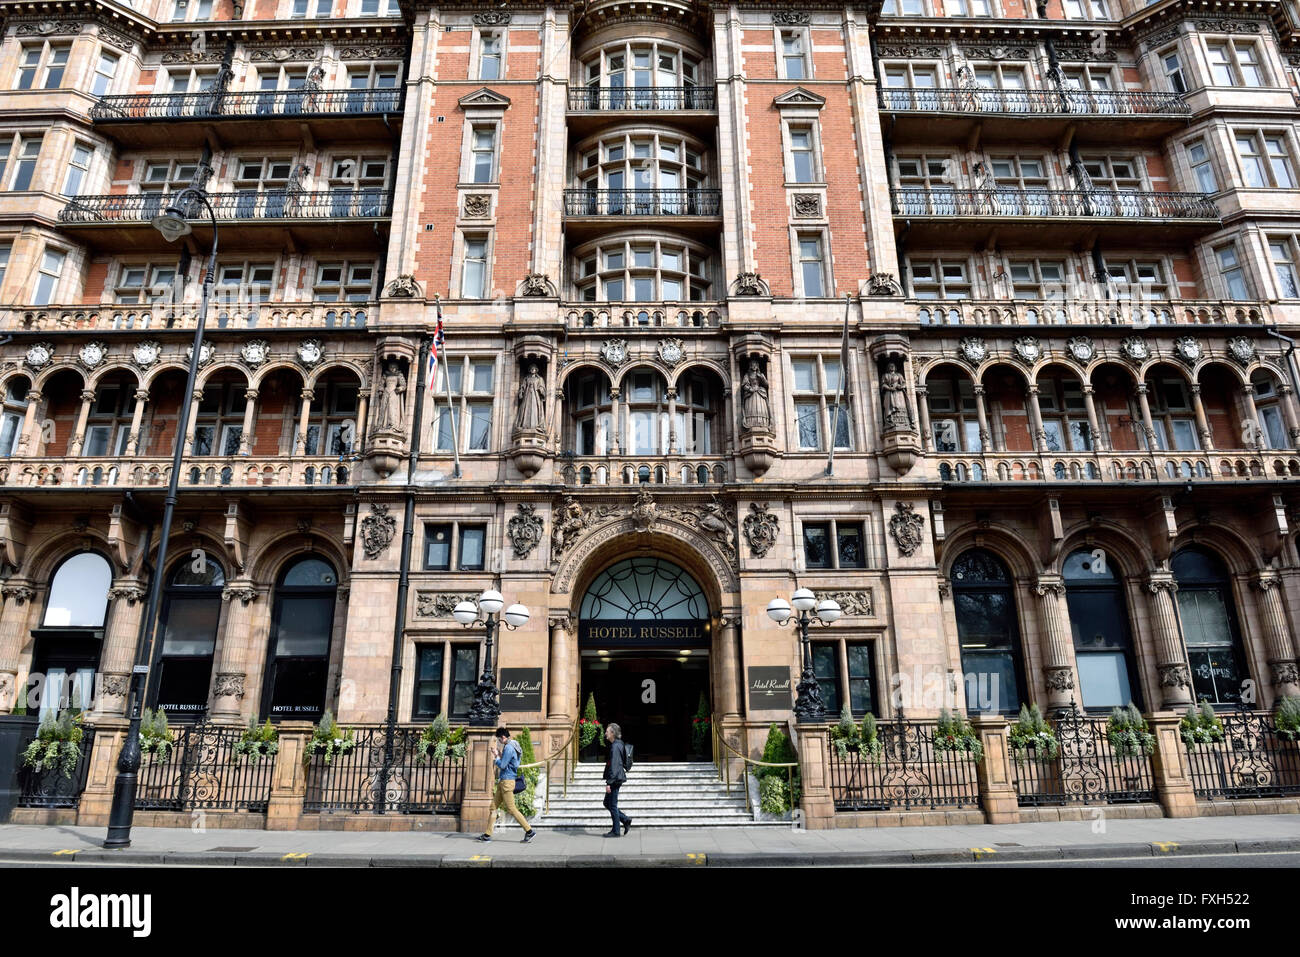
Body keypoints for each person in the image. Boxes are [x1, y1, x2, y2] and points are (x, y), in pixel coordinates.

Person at [478, 726, 536, 843]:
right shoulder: (514, 745)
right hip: (504, 780)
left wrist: (495, 757)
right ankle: (487, 834)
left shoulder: (509, 748)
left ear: (503, 737)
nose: (499, 741)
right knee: (493, 807)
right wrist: (499, 754)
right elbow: (509, 762)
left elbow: (503, 765)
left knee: (511, 809)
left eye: (499, 739)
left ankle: (529, 831)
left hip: (507, 781)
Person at [602, 722, 632, 838]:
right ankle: (625, 820)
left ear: (612, 733)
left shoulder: (615, 746)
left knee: (612, 805)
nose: (605, 733)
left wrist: (609, 783)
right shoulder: (618, 744)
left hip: (615, 779)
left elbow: (614, 765)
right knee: (607, 803)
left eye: (607, 731)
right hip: (617, 777)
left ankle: (616, 831)